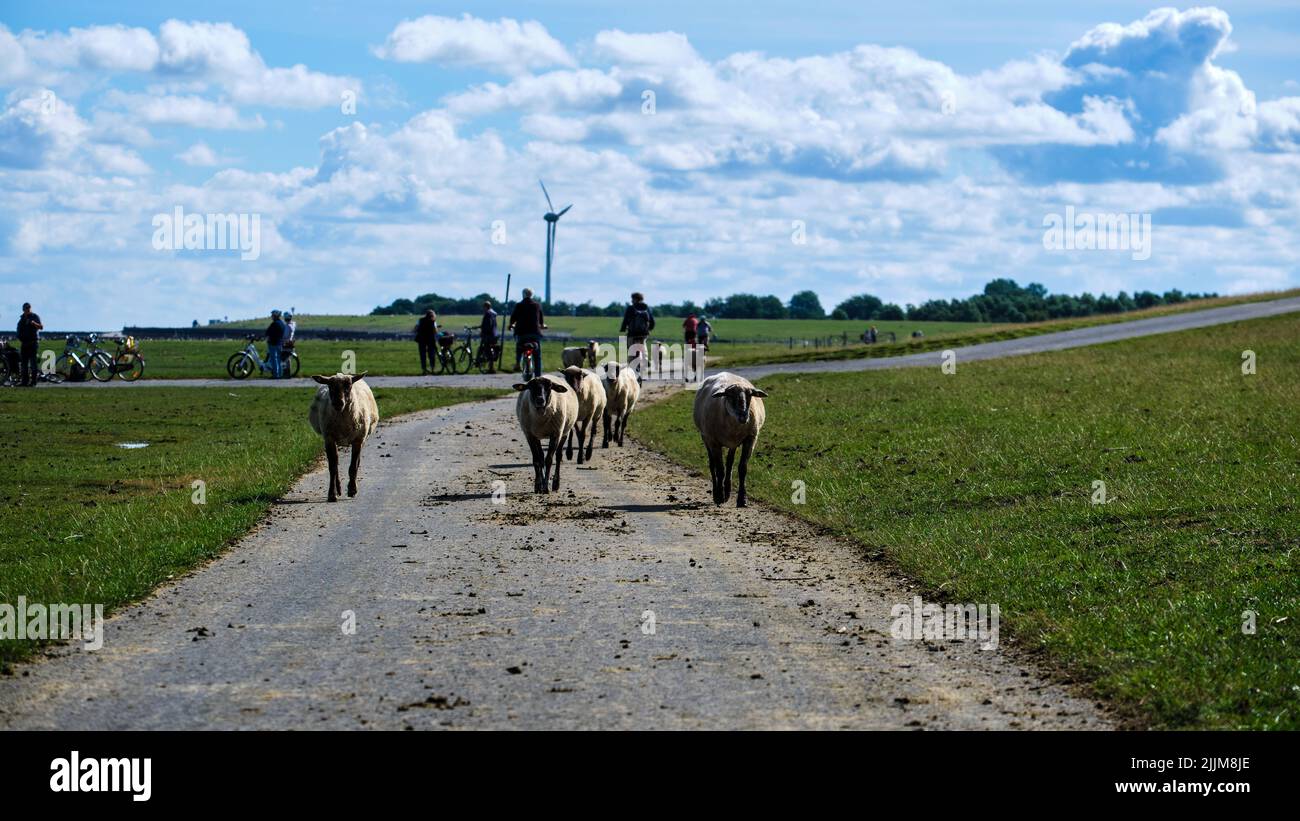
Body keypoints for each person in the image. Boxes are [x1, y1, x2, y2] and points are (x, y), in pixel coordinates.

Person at [508, 288, 547, 373]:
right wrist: (542, 325)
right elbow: (541, 320)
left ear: (523, 294)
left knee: (519, 346)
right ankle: (538, 375)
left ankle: (518, 363)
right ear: (532, 295)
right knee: (537, 356)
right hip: (535, 333)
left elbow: (513, 318)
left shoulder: (519, 305)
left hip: (522, 333)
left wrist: (511, 325)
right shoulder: (537, 305)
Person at [620, 292, 654, 381]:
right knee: (643, 349)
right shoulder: (646, 307)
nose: (631, 300)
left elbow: (625, 320)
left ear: (635, 299)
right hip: (643, 335)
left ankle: (632, 371)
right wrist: (649, 329)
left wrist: (623, 329)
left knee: (631, 353)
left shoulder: (630, 308)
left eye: (632, 299)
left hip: (632, 334)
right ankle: (645, 361)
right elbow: (652, 321)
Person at [16, 302, 42, 387]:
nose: (28, 309)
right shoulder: (21, 319)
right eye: (26, 308)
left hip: (33, 343)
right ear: (23, 309)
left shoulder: (35, 316)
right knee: (24, 364)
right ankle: (24, 381)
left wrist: (34, 323)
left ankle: (33, 381)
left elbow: (41, 327)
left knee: (33, 363)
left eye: (29, 307)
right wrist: (19, 336)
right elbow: (18, 330)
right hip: (24, 343)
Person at [414, 308, 438, 374]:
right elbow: (435, 331)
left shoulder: (420, 320)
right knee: (431, 354)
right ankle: (433, 369)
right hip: (430, 339)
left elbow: (416, 328)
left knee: (422, 355)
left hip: (421, 339)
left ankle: (424, 370)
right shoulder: (433, 321)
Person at [265, 310, 287, 379]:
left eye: (272, 315)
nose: (271, 316)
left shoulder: (274, 324)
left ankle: (275, 375)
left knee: (274, 360)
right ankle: (280, 374)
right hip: (280, 343)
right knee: (279, 360)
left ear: (275, 316)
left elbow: (268, 332)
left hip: (273, 343)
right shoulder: (282, 323)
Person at [479, 300, 499, 373]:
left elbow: (488, 325)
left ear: (485, 307)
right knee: (489, 349)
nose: (483, 309)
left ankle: (491, 368)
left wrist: (483, 332)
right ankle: (491, 366)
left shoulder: (488, 314)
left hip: (489, 335)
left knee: (487, 349)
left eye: (483, 307)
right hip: (495, 335)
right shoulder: (493, 313)